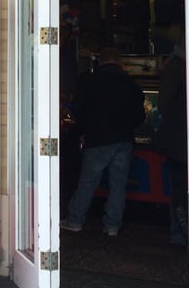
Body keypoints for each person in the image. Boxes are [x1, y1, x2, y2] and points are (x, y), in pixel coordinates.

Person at [61, 47, 146, 237]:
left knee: (88, 182)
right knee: (118, 184)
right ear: (119, 62)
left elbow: (77, 110)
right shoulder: (131, 84)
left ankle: (75, 220)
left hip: (98, 139)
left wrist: (86, 127)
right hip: (124, 140)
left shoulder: (89, 81)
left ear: (101, 61)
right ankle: (113, 226)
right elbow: (140, 116)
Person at [154, 38, 188, 245]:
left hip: (175, 139)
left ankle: (180, 234)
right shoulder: (180, 69)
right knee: (181, 189)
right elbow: (164, 104)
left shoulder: (173, 69)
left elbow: (163, 104)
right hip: (179, 139)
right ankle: (181, 234)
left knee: (179, 188)